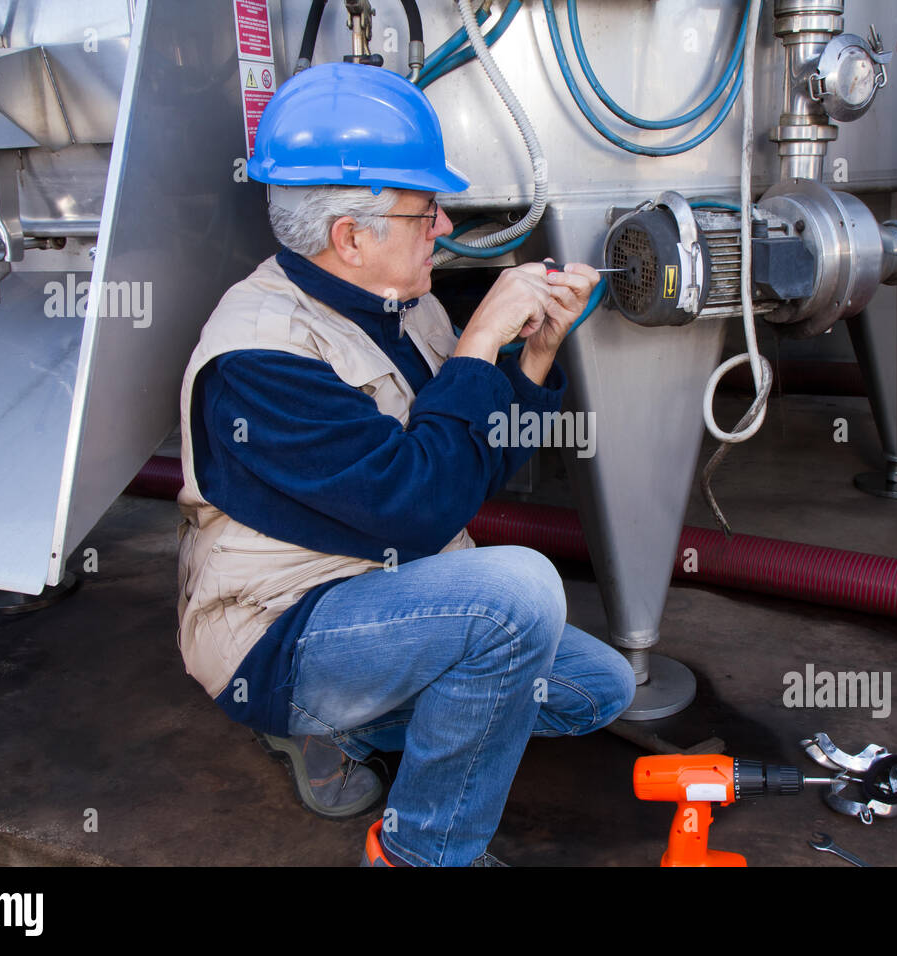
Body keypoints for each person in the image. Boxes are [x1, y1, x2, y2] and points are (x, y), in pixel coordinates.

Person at [174, 62, 635, 866]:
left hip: (392, 598)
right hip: (281, 629)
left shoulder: (405, 305)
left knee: (599, 690)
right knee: (514, 596)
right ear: (351, 236)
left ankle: (350, 723)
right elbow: (419, 507)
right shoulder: (258, 358)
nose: (444, 224)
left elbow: (468, 472)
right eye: (425, 213)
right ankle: (418, 851)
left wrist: (533, 355)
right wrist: (481, 338)